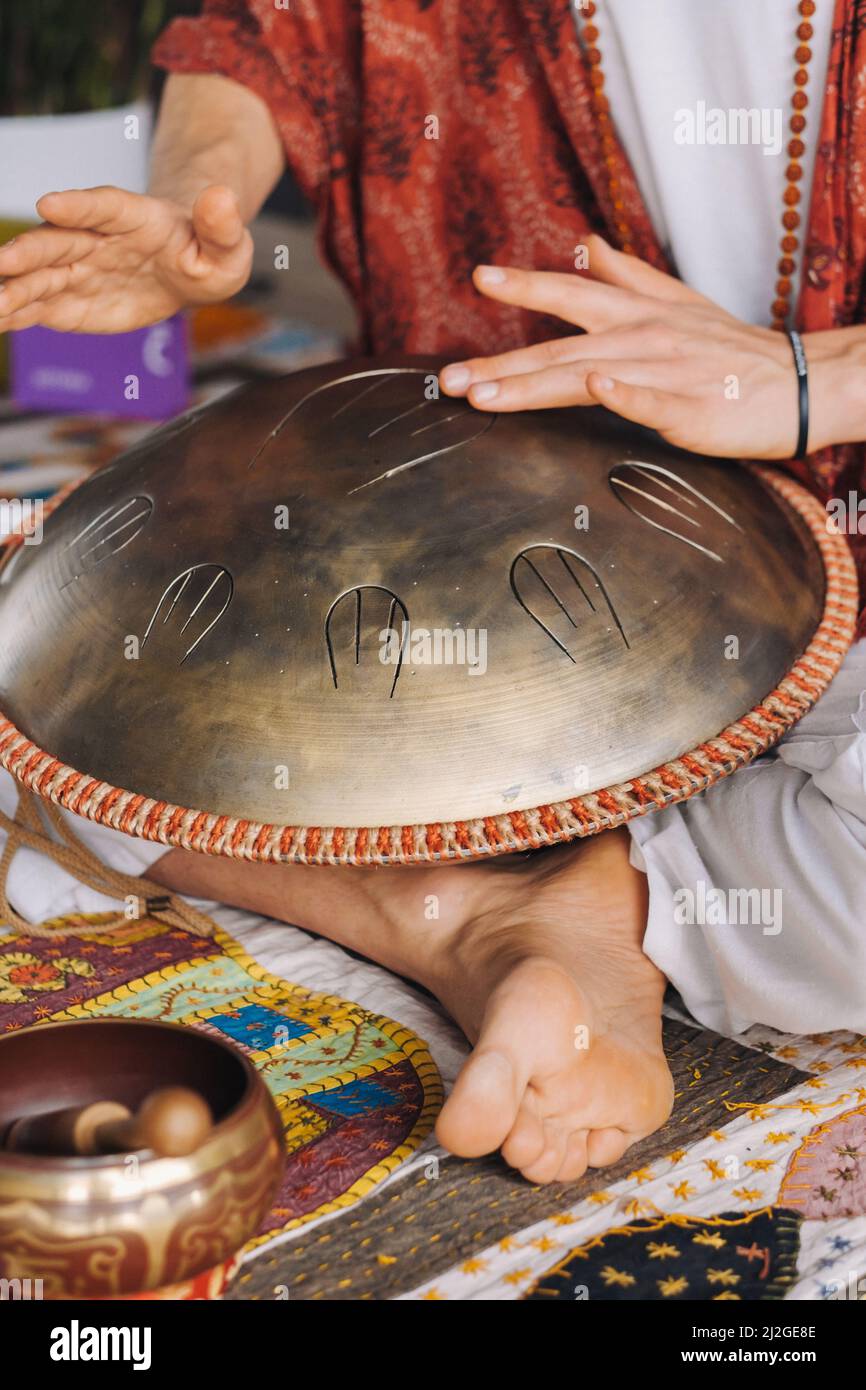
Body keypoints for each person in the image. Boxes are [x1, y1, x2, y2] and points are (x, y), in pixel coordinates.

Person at [0, 0, 864, 1186]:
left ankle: (541, 892)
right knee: (62, 673)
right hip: (459, 565)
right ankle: (477, 910)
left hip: (837, 604)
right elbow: (279, 27)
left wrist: (824, 377)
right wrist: (197, 198)